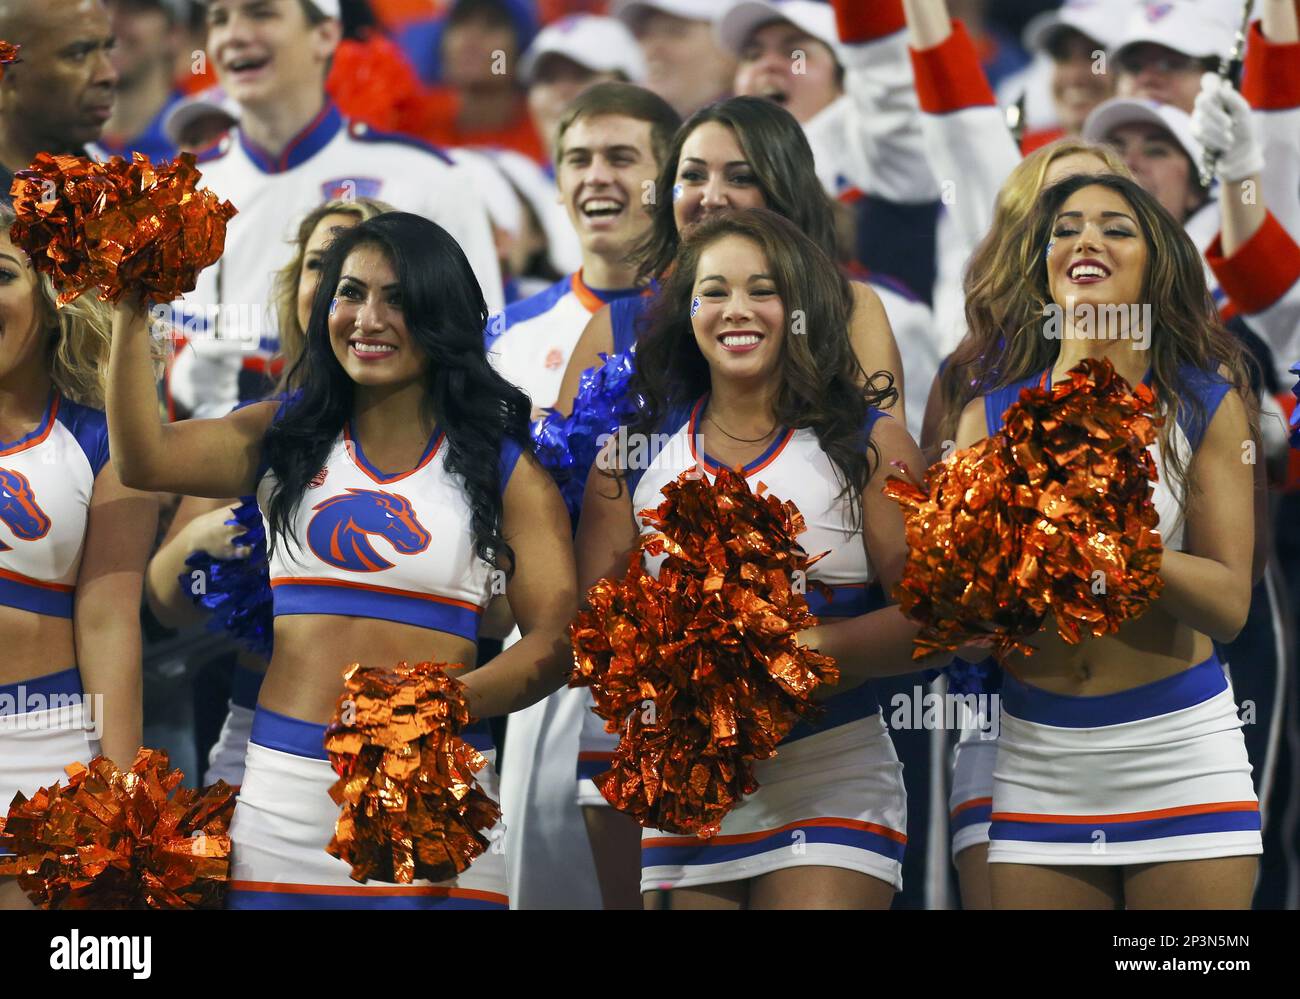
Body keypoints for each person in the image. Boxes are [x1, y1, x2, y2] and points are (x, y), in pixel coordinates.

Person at [107, 212, 577, 909]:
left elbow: (555, 640)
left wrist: (447, 703)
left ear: (441, 313)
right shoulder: (285, 435)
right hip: (281, 805)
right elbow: (144, 458)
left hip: (434, 794)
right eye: (350, 293)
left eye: (397, 298)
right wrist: (132, 309)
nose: (368, 317)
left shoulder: (501, 468)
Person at [575, 207, 945, 909]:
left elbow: (932, 626)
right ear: (686, 312)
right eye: (713, 291)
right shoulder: (633, 453)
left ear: (801, 307)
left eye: (762, 289)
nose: (735, 309)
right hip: (690, 785)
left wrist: (794, 647)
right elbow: (591, 631)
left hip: (830, 772)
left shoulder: (868, 445)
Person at [950, 173, 1262, 908]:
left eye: (1116, 227)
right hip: (1037, 759)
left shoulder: (1201, 404)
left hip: (1180, 749)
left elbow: (1228, 605)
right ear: (1043, 268)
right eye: (1066, 229)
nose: (1085, 239)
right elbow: (966, 634)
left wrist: (1115, 541)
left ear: (1158, 266)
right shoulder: (986, 419)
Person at [485, 81, 678, 911]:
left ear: (668, 180)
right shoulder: (503, 336)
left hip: (684, 671)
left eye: (622, 158)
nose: (596, 176)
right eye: (577, 158)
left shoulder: (722, 318)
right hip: (547, 676)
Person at [144, 196, 392, 788]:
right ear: (294, 291)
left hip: (405, 743)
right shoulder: (254, 425)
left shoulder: (451, 436)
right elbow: (164, 602)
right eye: (318, 265)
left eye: (359, 270)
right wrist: (203, 540)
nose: (335, 284)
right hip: (259, 737)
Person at [169, 0, 501, 420]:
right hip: (203, 462)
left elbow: (483, 350)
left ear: (325, 35)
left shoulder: (426, 179)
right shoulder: (181, 192)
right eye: (219, 19)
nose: (232, 34)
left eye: (261, 13)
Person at [555, 96, 919, 433]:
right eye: (693, 176)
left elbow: (885, 470)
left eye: (740, 177)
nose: (711, 197)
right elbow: (568, 475)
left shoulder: (849, 310)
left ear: (786, 194)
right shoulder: (618, 326)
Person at [0, 204, 158, 909]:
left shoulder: (103, 444)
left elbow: (110, 624)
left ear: (54, 298)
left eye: (2, 275)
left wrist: (120, 798)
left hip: (40, 748)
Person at [0, 0, 118, 202]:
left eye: (107, 50)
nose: (108, 75)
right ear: (7, 79)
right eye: (78, 54)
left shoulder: (115, 192)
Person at [518, 14, 645, 164]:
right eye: (548, 79)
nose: (561, 90)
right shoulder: (510, 183)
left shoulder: (673, 181)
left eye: (581, 75)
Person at [610, 0, 735, 118]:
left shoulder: (747, 133)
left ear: (729, 52)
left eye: (674, 32)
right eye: (643, 34)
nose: (650, 51)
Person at [99, 0, 186, 162]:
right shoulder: (57, 136)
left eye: (135, 9)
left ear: (173, 34)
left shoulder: (201, 139)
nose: (111, 22)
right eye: (102, 6)